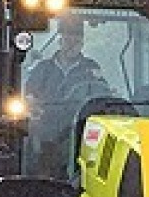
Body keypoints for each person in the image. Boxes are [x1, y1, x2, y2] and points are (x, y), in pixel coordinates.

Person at [24, 16, 113, 178]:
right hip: (46, 133)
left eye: (77, 38)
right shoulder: (43, 69)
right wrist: (32, 105)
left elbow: (102, 95)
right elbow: (28, 97)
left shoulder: (91, 69)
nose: (72, 42)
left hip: (81, 130)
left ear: (82, 42)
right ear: (60, 40)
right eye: (68, 37)